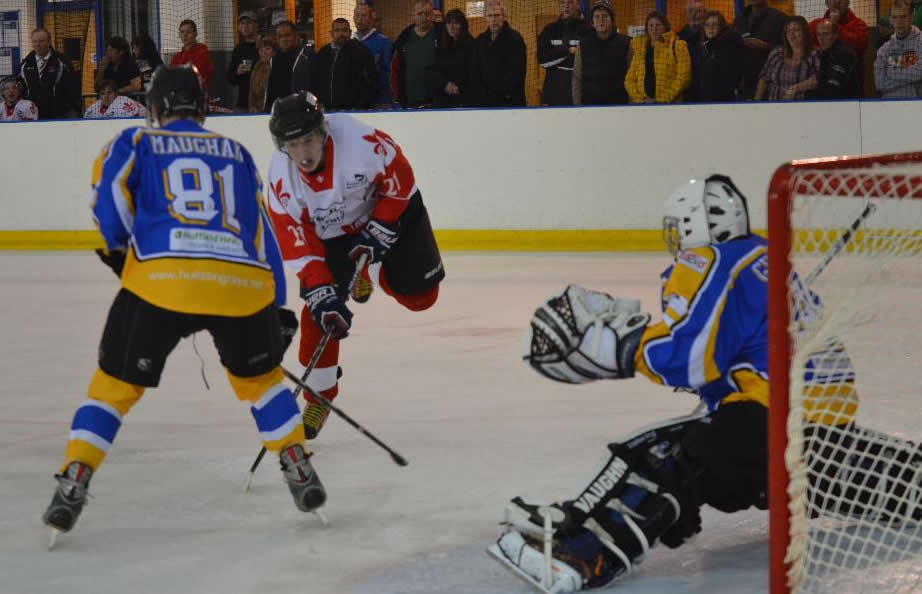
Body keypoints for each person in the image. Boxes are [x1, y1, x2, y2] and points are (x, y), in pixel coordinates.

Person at [488, 174, 922, 592]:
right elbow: (736, 363)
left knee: (664, 454)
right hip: (819, 430)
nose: (676, 239)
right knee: (872, 473)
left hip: (779, 426)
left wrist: (625, 349)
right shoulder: (765, 259)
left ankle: (580, 557)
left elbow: (691, 356)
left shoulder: (717, 260)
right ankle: (587, 516)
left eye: (678, 227)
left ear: (699, 222)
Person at [41, 66, 323, 543]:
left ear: (155, 107)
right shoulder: (236, 153)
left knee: (113, 387)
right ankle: (295, 460)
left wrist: (120, 249)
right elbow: (263, 236)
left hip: (161, 282)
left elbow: (109, 201)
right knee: (262, 383)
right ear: (200, 106)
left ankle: (75, 476)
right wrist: (275, 306)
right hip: (239, 284)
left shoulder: (136, 141)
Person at [265, 92, 445, 439]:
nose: (302, 154)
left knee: (423, 299)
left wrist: (380, 230)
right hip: (331, 237)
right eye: (293, 145)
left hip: (388, 214)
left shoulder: (361, 142)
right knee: (321, 313)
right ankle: (320, 394)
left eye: (307, 140)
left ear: (323, 132)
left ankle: (374, 267)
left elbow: (401, 180)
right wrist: (321, 291)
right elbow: (298, 243)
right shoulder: (281, 181)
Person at [571, 0, 631, 105]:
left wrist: (631, 105)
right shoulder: (583, 45)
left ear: (612, 19)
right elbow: (577, 77)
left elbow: (633, 76)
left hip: (619, 106)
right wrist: (578, 106)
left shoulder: (626, 43)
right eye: (597, 16)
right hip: (590, 106)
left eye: (605, 16)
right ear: (592, 21)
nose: (601, 20)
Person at [310, 18, 377, 110]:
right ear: (331, 33)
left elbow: (370, 81)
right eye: (337, 30)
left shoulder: (361, 52)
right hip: (327, 109)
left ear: (350, 32)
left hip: (353, 110)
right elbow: (315, 80)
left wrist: (361, 106)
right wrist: (318, 103)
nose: (341, 34)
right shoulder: (323, 53)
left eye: (344, 30)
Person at [625, 11, 691, 103]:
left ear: (665, 27)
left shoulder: (678, 46)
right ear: (647, 28)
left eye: (658, 25)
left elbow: (683, 78)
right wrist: (640, 100)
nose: (654, 29)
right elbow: (629, 80)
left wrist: (662, 99)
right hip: (643, 106)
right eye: (651, 25)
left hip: (670, 105)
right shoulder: (640, 49)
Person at [470, 0, 527, 107]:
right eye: (490, 16)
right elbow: (475, 72)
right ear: (485, 19)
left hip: (509, 102)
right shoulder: (480, 41)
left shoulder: (515, 39)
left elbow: (516, 74)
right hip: (484, 102)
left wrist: (495, 93)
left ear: (504, 17)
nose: (493, 19)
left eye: (496, 15)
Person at [537, 0, 593, 106]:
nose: (566, 6)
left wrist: (556, 53)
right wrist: (568, 51)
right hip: (554, 91)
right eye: (562, 2)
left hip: (582, 90)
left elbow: (591, 60)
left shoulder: (588, 30)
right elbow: (543, 60)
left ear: (578, 5)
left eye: (570, 2)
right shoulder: (549, 30)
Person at [18, 28, 80, 119]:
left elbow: (73, 87)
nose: (38, 45)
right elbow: (21, 88)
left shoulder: (62, 61)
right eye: (34, 41)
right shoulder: (25, 63)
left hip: (58, 115)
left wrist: (72, 109)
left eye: (41, 41)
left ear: (49, 42)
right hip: (33, 116)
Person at [391, 0, 442, 107]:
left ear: (432, 16)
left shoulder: (442, 35)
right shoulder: (403, 38)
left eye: (427, 14)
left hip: (436, 99)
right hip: (410, 99)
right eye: (419, 14)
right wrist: (396, 95)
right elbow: (395, 69)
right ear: (413, 16)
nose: (423, 17)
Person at [755, 16, 819, 100]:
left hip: (801, 106)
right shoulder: (776, 52)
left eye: (796, 30)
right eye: (788, 30)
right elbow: (764, 78)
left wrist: (795, 88)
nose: (791, 34)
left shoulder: (813, 55)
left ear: (805, 32)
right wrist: (757, 101)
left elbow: (817, 79)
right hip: (773, 105)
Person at [733, 0, 786, 99]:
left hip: (770, 85)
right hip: (744, 85)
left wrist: (766, 46)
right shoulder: (740, 19)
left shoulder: (780, 18)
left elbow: (788, 49)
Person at [425, 8, 476, 107]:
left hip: (465, 100)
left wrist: (457, 87)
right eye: (448, 23)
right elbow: (434, 70)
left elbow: (473, 73)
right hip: (443, 98)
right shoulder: (442, 45)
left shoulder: (472, 46)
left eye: (455, 23)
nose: (451, 27)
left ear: (463, 25)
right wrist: (445, 84)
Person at [874, 0, 922, 98]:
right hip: (889, 105)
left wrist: (891, 69)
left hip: (916, 104)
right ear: (890, 20)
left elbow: (919, 73)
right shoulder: (884, 50)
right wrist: (910, 66)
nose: (899, 21)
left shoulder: (920, 42)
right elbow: (879, 83)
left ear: (911, 18)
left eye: (903, 17)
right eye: (895, 17)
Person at [693, 10, 745, 102]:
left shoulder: (729, 46)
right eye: (707, 25)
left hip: (725, 99)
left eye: (715, 24)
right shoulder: (702, 47)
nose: (710, 28)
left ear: (721, 27)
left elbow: (732, 77)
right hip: (704, 99)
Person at [264, 20, 314, 111]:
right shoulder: (274, 59)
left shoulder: (307, 56)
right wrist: (267, 109)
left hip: (300, 111)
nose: (284, 39)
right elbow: (270, 88)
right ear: (276, 39)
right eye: (280, 36)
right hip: (278, 111)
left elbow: (314, 86)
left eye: (287, 35)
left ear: (296, 36)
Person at [353, 3, 393, 106]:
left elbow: (388, 73)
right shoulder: (350, 43)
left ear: (371, 19)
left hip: (379, 101)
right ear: (353, 18)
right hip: (355, 101)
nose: (360, 19)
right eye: (357, 15)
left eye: (364, 15)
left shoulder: (384, 42)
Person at [809, 18, 859, 98]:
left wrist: (807, 91)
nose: (821, 39)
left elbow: (833, 88)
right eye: (819, 34)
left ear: (835, 35)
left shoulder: (842, 54)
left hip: (846, 103)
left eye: (826, 34)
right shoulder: (825, 53)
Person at [227, 11, 261, 112]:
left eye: (249, 22)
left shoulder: (264, 44)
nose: (245, 26)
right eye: (242, 23)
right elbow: (230, 78)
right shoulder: (238, 49)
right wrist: (237, 72)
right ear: (238, 27)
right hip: (243, 102)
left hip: (263, 101)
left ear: (256, 26)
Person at [169, 20, 215, 87]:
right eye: (182, 32)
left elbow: (198, 78)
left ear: (195, 34)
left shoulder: (202, 54)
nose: (185, 35)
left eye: (188, 32)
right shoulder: (176, 57)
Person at [249, 35, 277, 112]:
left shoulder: (279, 66)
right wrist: (252, 106)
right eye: (260, 50)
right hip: (258, 112)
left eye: (267, 49)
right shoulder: (257, 66)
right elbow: (252, 91)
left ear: (275, 51)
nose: (263, 52)